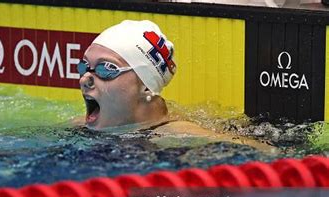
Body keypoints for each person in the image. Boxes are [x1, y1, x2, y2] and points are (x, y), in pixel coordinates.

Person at [78, 20, 275, 152]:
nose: (85, 78)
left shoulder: (182, 134)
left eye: (106, 69)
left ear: (146, 87)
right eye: (84, 66)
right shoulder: (79, 125)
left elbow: (268, 152)